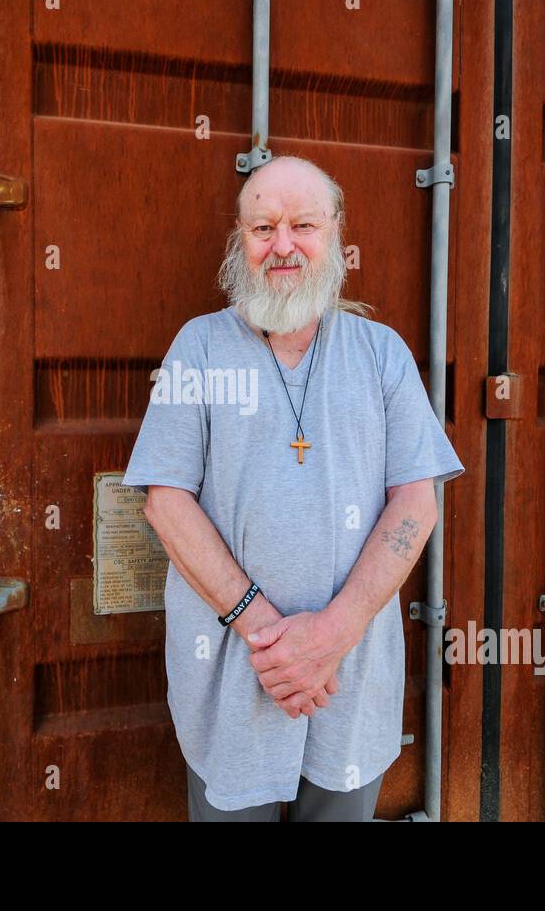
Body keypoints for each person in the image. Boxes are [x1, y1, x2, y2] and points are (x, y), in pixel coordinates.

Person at [121, 155, 464, 821]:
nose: (282, 244)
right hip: (233, 674)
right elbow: (165, 500)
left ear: (335, 233)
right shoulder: (199, 348)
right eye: (262, 227)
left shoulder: (382, 353)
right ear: (239, 242)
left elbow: (416, 503)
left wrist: (331, 633)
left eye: (302, 224)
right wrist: (273, 637)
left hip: (348, 676)